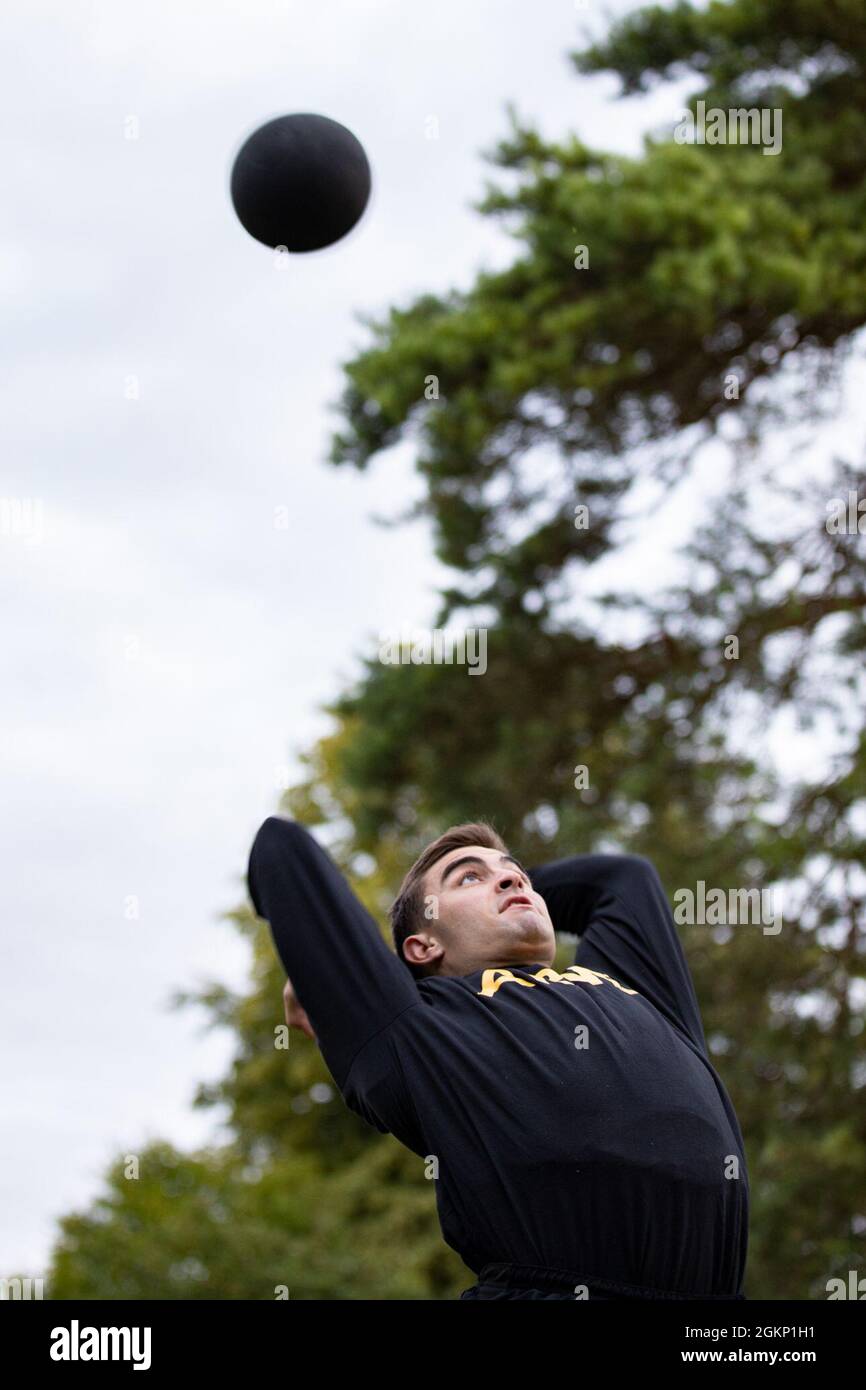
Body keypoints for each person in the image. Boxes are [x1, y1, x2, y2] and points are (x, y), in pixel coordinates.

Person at [246, 815, 749, 1300]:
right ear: (422, 947)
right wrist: (336, 979)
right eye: (469, 877)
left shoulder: (631, 988)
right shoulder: (414, 1029)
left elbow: (621, 879)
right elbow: (281, 847)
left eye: (516, 872)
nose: (510, 877)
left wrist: (504, 885)